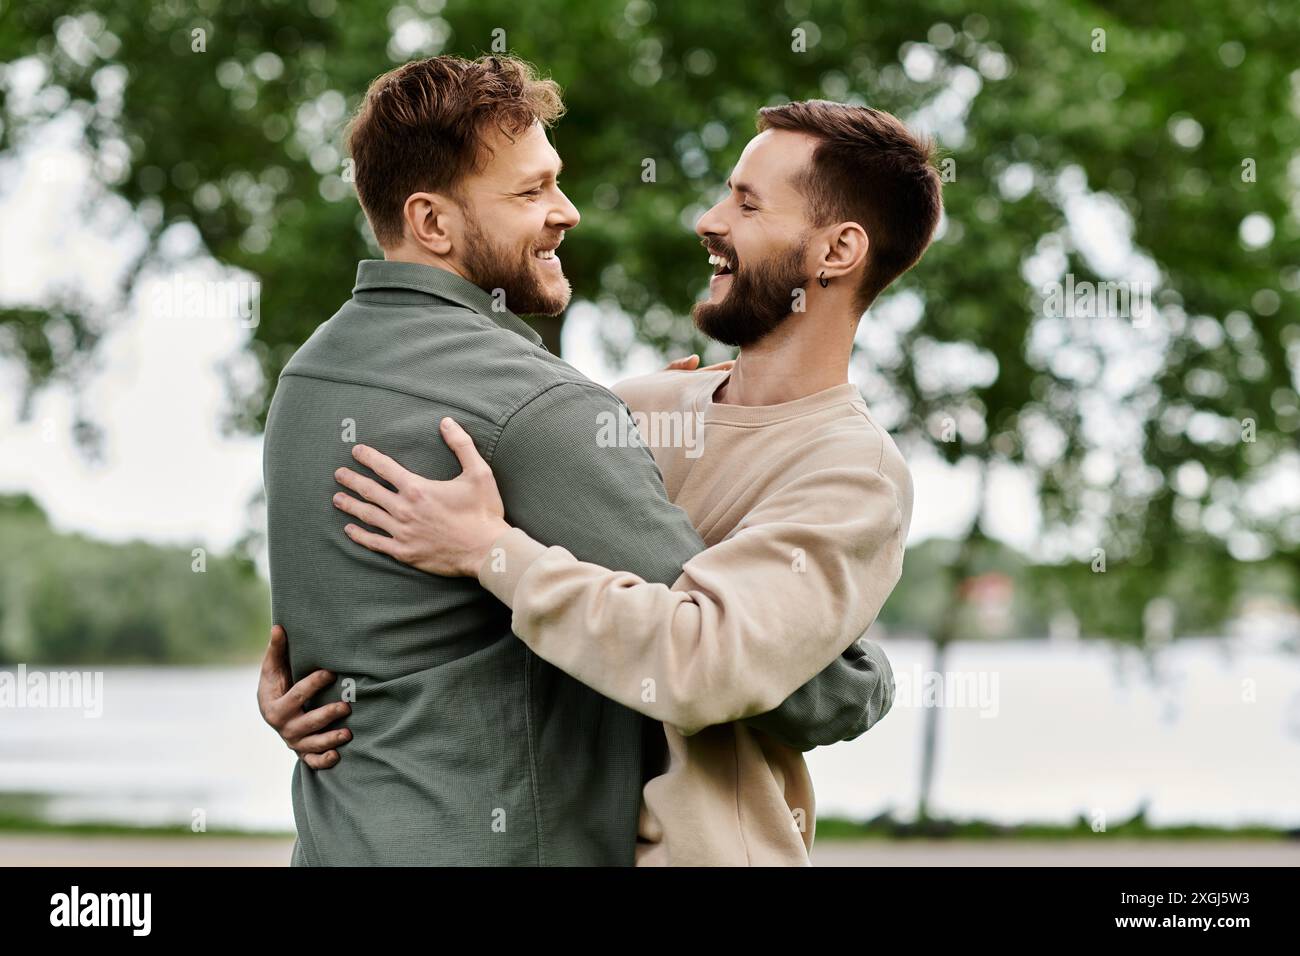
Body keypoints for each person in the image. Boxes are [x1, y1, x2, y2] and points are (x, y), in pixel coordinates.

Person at [256, 55, 895, 866]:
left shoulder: (307, 381)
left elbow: (351, 639)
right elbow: (710, 658)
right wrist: (863, 677)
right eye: (529, 193)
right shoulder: (539, 411)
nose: (567, 212)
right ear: (432, 222)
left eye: (553, 182)